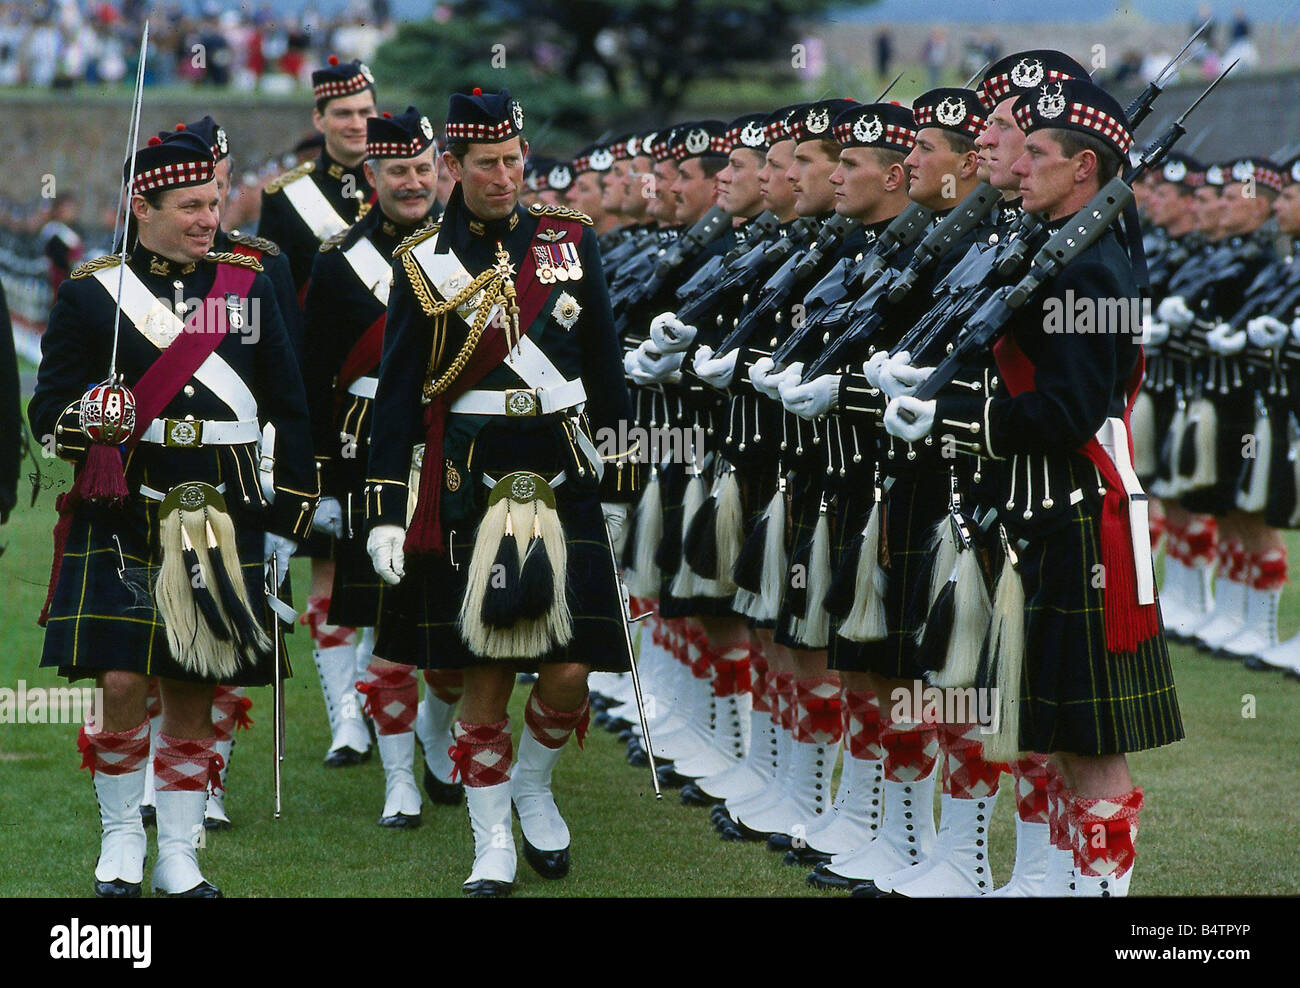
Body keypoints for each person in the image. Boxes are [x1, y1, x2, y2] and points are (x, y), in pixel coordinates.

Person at [884, 78, 1184, 896]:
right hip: (1038, 510)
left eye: (1038, 153)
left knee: (1088, 742)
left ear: (1082, 169)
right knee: (1049, 727)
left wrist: (950, 415)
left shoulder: (1093, 274)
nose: (1018, 165)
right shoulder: (1055, 251)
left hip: (1079, 513)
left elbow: (1067, 412)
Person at [28, 128, 318, 898]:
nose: (207, 219)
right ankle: (122, 837)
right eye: (190, 206)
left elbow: (290, 406)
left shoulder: (250, 287)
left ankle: (180, 854)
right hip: (125, 514)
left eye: (214, 203)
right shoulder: (93, 293)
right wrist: (94, 414)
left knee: (195, 683)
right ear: (142, 206)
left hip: (225, 517)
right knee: (122, 682)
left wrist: (288, 519)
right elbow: (46, 411)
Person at [364, 87, 638, 897]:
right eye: (488, 164)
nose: (507, 177)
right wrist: (384, 511)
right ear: (452, 166)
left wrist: (619, 482)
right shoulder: (421, 263)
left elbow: (607, 371)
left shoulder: (568, 240)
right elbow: (396, 397)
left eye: (516, 161)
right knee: (483, 670)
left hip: (564, 471)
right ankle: (490, 842)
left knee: (567, 672)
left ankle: (533, 784)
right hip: (469, 480)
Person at [303, 105, 461, 825]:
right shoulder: (337, 264)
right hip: (374, 458)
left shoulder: (470, 250)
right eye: (398, 169)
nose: (413, 182)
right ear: (372, 174)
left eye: (424, 168)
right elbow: (316, 380)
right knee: (386, 621)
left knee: (456, 635)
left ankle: (434, 728)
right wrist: (323, 484)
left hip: (458, 451)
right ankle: (398, 778)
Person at [258, 54, 380, 767]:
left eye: (366, 113)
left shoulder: (405, 182)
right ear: (320, 121)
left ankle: (373, 691)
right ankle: (346, 716)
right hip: (322, 402)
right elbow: (281, 310)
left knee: (389, 557)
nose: (358, 125)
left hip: (390, 400)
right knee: (330, 560)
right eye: (344, 115)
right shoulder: (288, 199)